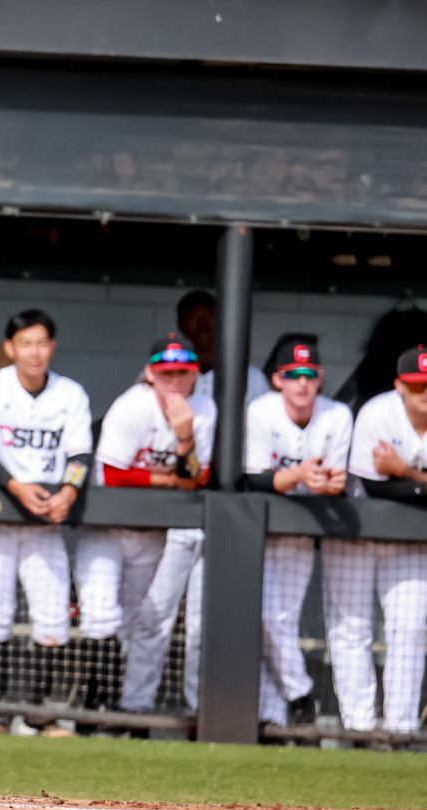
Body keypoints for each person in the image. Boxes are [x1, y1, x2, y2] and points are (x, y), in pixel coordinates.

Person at [0, 310, 93, 735]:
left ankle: (40, 710)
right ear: (11, 348)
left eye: (42, 343)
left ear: (51, 346)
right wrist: (17, 487)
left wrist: (69, 492)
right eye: (26, 344)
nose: (34, 352)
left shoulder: (70, 393)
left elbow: (80, 456)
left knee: (52, 612)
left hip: (45, 520)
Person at [142, 290, 272, 714]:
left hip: (234, 505)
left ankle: (203, 712)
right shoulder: (166, 378)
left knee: (213, 623)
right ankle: (132, 708)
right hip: (179, 509)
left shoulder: (249, 376)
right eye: (192, 320)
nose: (203, 327)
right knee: (150, 615)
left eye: (209, 317)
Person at [77, 334, 214, 731]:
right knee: (100, 613)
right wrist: (169, 481)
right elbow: (114, 475)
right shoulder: (131, 405)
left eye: (184, 371)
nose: (175, 379)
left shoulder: (203, 407)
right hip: (106, 527)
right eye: (167, 371)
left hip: (152, 533)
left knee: (138, 623)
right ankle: (90, 711)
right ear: (151, 373)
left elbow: (199, 478)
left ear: (195, 374)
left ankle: (124, 715)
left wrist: (185, 436)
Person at [241, 340, 352, 729]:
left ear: (319, 379)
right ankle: (298, 696)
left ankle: (281, 714)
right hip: (256, 531)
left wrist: (330, 484)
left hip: (298, 533)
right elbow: (254, 478)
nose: (302, 383)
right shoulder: (261, 411)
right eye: (293, 375)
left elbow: (337, 481)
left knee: (276, 621)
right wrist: (301, 476)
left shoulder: (337, 415)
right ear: (278, 380)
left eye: (309, 375)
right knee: (257, 621)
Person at [324, 346, 427, 738]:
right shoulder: (378, 412)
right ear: (401, 386)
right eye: (418, 385)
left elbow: (394, 483)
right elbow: (375, 488)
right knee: (350, 629)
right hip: (356, 533)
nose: (425, 392)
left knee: (410, 627)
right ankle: (360, 728)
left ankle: (400, 731)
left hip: (409, 539)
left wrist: (402, 471)